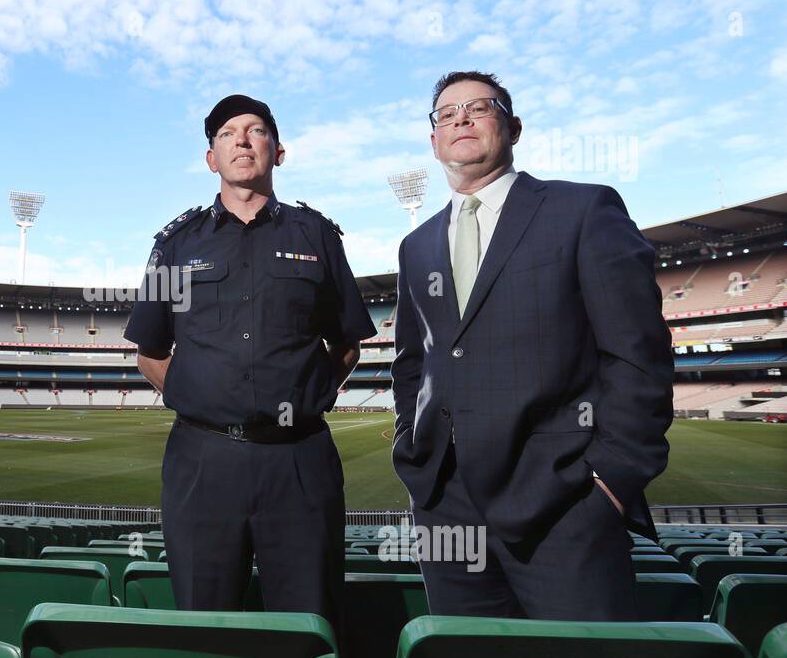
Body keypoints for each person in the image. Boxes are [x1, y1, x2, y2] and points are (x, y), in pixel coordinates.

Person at [391, 70, 673, 620]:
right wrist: (413, 450)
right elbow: (412, 363)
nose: (462, 119)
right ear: (434, 141)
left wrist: (609, 482)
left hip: (563, 505)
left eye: (480, 107)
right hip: (446, 511)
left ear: (513, 127)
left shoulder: (584, 211)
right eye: (446, 114)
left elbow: (639, 355)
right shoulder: (416, 245)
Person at [124, 94, 375, 626]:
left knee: (310, 623)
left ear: (278, 151)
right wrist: (203, 399)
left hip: (300, 460)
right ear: (211, 158)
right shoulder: (175, 245)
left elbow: (347, 344)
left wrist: (304, 396)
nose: (242, 139)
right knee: (204, 625)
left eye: (256, 130)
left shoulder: (317, 236)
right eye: (227, 133)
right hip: (203, 463)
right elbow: (149, 353)